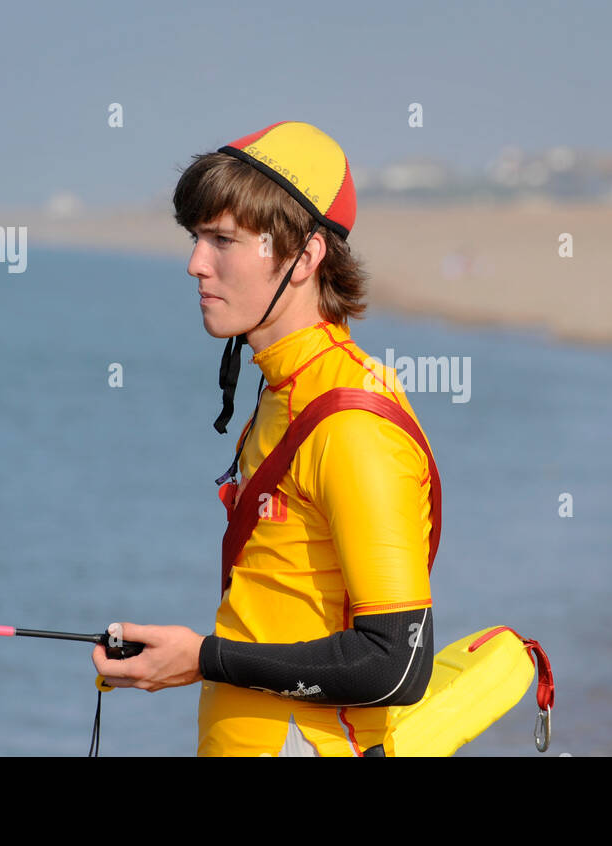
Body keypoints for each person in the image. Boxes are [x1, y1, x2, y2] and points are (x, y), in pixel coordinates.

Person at [91, 121, 438, 756]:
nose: (196, 263)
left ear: (304, 258)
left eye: (222, 240)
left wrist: (203, 658)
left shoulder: (351, 425)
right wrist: (197, 658)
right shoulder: (282, 390)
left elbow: (398, 664)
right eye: (197, 238)